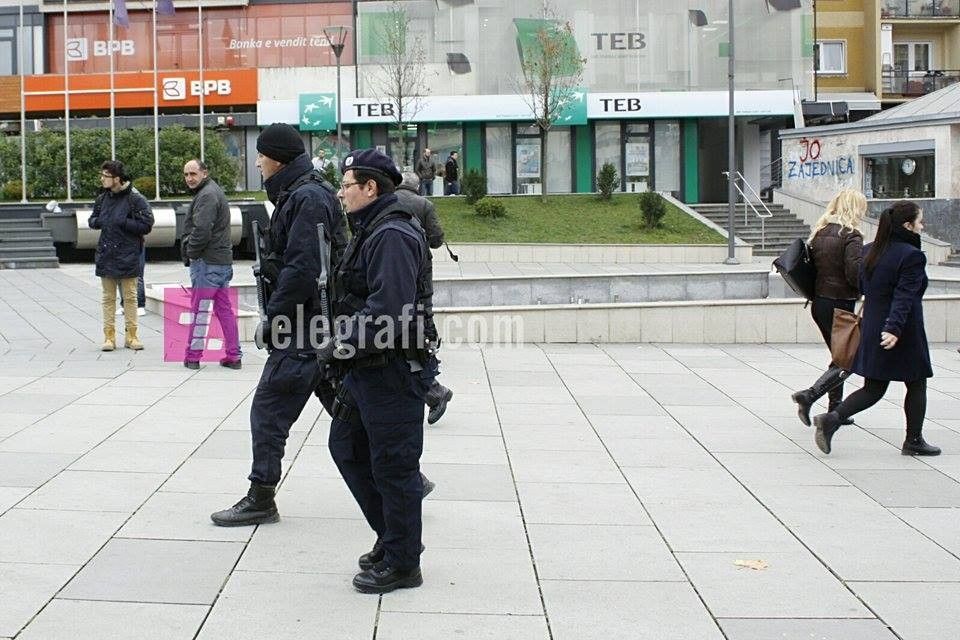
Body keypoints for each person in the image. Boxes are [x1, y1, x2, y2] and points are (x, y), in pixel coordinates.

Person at [210, 123, 347, 527]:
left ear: (278, 159)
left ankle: (261, 498)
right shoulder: (302, 192)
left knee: (268, 411)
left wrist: (276, 316)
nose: (257, 163)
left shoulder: (306, 197)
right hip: (313, 322)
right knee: (346, 409)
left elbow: (303, 267)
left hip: (305, 325)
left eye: (261, 155)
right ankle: (406, 478)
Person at [325, 148, 436, 594]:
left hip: (391, 370)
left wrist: (339, 344)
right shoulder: (371, 228)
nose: (341, 193)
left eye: (346, 185)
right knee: (347, 447)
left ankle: (404, 563)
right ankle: (393, 538)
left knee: (394, 466)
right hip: (366, 366)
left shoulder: (391, 234)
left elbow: (388, 312)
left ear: (370, 188)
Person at [813, 201, 940, 457]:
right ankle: (913, 440)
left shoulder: (870, 250)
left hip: (873, 325)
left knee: (874, 387)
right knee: (916, 382)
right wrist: (894, 328)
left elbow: (862, 285)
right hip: (903, 330)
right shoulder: (912, 256)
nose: (922, 226)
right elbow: (905, 295)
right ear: (908, 226)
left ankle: (832, 419)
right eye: (920, 222)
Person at [790, 189, 865, 427]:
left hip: (820, 303)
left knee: (839, 357)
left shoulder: (820, 232)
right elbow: (854, 273)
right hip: (840, 303)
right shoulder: (851, 235)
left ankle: (835, 409)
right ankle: (810, 396)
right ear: (855, 208)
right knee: (848, 358)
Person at [396, 171, 454, 424]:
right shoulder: (424, 204)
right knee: (419, 322)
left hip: (392, 268)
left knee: (402, 335)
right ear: (417, 187)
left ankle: (433, 389)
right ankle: (433, 388)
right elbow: (437, 239)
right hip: (420, 271)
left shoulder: (387, 200)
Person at [181, 159, 242, 370]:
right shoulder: (212, 191)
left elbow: (202, 230)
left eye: (193, 174)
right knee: (225, 310)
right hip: (220, 261)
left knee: (200, 310)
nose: (189, 178)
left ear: (204, 173)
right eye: (186, 174)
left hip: (207, 262)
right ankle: (234, 355)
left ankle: (193, 356)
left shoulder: (207, 195)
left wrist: (191, 253)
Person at [88, 160, 153, 352]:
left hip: (128, 254)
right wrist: (100, 221)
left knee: (130, 297)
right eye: (102, 175)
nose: (102, 179)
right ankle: (109, 337)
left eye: (105, 176)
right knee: (108, 298)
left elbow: (147, 224)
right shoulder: (102, 198)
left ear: (117, 179)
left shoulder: (135, 199)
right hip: (106, 253)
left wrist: (124, 222)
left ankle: (132, 336)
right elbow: (92, 220)